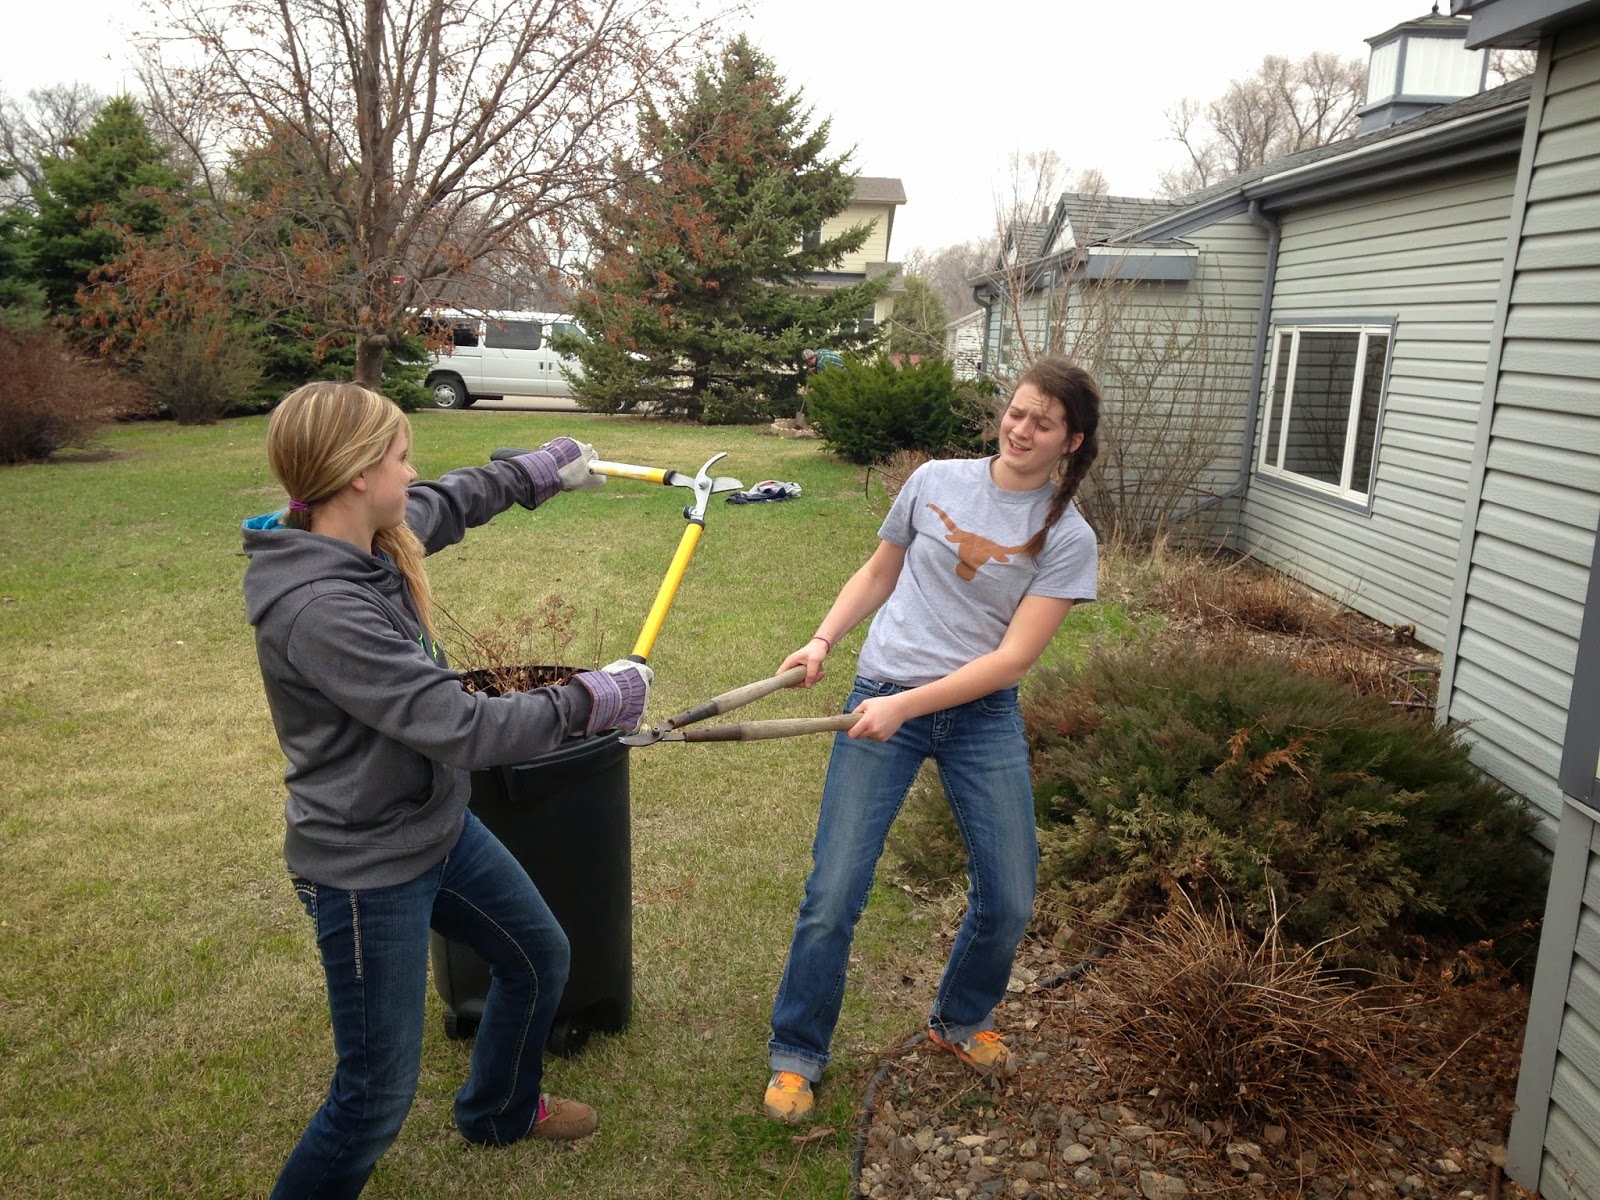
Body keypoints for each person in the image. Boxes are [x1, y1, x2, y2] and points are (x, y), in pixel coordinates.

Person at [242, 381, 652, 1197]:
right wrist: (591, 700)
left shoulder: (366, 542)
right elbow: (461, 727)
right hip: (364, 869)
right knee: (372, 1101)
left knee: (539, 955)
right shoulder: (322, 607)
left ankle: (500, 1108)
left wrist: (535, 472)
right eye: (399, 455)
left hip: (433, 825)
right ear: (358, 475)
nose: (411, 468)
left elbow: (444, 501)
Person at [761, 356, 1101, 1123]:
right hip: (883, 691)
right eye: (1016, 413)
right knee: (834, 891)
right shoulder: (935, 481)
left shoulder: (1069, 537)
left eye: (1042, 423)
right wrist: (822, 641)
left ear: (1070, 441)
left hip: (977, 715)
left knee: (1010, 896)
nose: (1021, 429)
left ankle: (959, 1019)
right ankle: (796, 1052)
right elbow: (879, 573)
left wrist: (912, 706)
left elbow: (1012, 659)